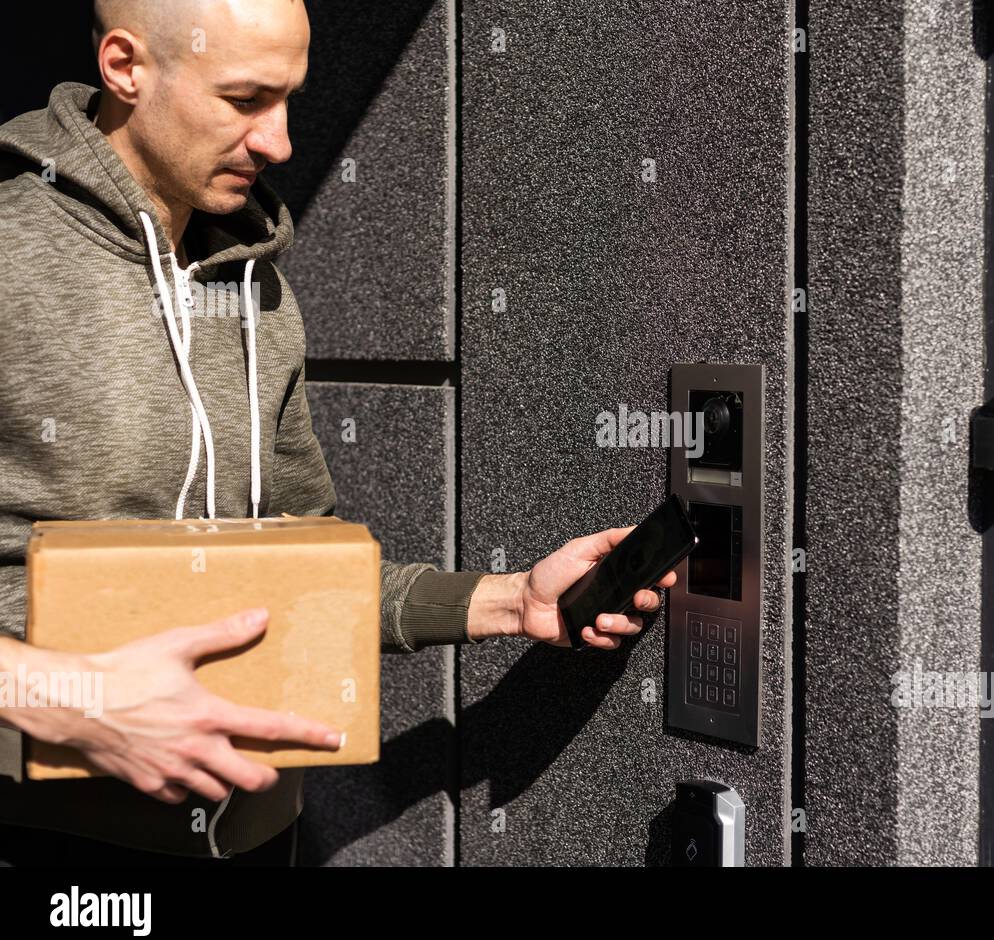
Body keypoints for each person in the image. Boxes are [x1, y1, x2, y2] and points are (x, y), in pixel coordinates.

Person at [0, 0, 675, 864]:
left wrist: (511, 601)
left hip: (259, 839)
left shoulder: (257, 291)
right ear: (126, 68)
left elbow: (306, 576)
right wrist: (70, 702)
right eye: (244, 99)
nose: (279, 142)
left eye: (289, 100)